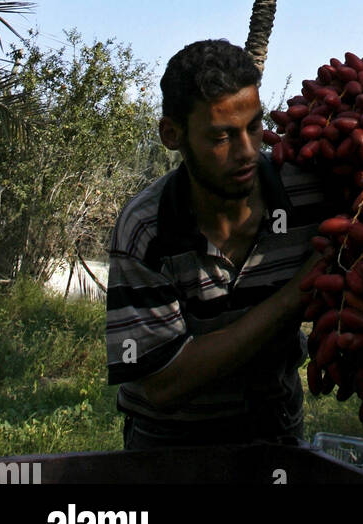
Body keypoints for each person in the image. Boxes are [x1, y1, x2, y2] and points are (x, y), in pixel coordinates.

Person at [106, 39, 334, 450]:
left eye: (253, 127)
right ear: (171, 134)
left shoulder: (307, 198)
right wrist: (294, 296)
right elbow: (162, 383)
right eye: (222, 137)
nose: (248, 151)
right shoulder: (146, 230)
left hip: (274, 432)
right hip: (167, 445)